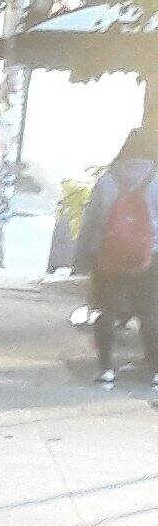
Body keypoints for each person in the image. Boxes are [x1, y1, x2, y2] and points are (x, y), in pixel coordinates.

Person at [73, 132, 158, 379]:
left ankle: (106, 368)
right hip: (151, 255)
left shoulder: (107, 180)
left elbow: (91, 221)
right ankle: (155, 370)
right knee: (150, 312)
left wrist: (83, 257)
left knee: (106, 310)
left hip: (108, 255)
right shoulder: (156, 179)